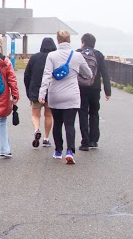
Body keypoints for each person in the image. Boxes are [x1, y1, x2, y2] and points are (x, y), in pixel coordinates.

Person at [37, 29, 94, 165]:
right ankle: (70, 151)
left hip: (55, 94)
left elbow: (46, 75)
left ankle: (58, 151)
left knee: (57, 123)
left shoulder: (51, 55)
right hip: (71, 95)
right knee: (69, 124)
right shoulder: (77, 56)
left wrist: (42, 93)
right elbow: (89, 74)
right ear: (69, 40)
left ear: (58, 40)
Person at [77, 32, 112, 151]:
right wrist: (108, 91)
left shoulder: (77, 53)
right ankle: (93, 140)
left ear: (83, 43)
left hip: (80, 88)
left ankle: (85, 142)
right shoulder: (98, 55)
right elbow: (105, 74)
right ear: (94, 44)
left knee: (82, 113)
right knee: (94, 113)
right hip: (95, 88)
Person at [23, 36, 57, 149]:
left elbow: (27, 75)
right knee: (48, 115)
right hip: (51, 91)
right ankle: (46, 138)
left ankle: (36, 129)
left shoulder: (35, 58)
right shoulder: (55, 57)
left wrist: (29, 91)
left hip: (36, 91)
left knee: (35, 114)